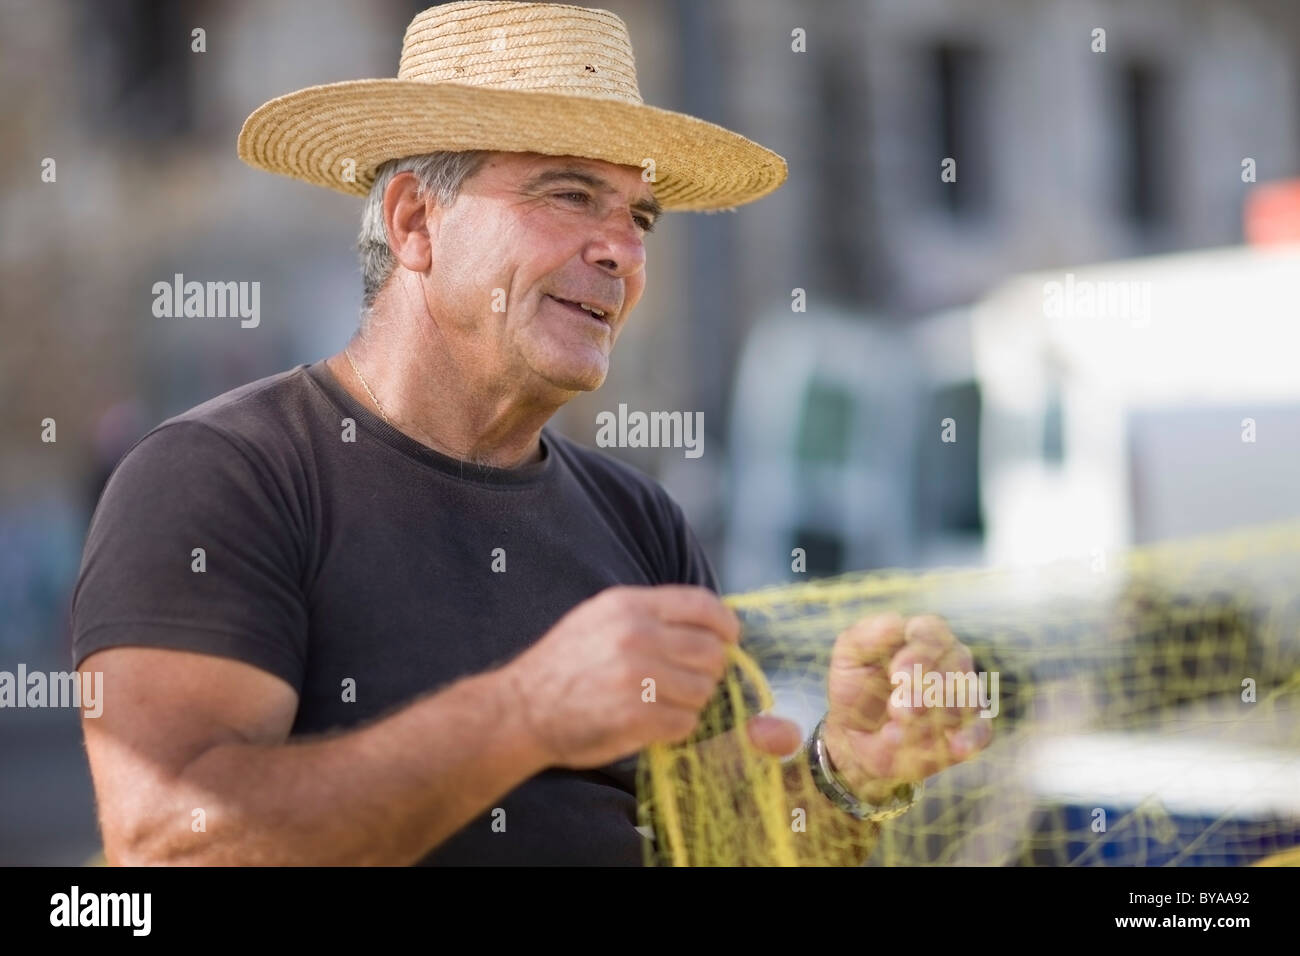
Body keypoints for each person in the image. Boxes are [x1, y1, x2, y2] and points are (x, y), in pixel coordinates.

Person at [71, 0, 990, 866]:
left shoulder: (641, 520)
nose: (623, 251)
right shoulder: (220, 477)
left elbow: (714, 841)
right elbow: (169, 845)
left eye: (638, 216)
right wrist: (527, 712)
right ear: (414, 221)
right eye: (567, 194)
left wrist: (849, 772)